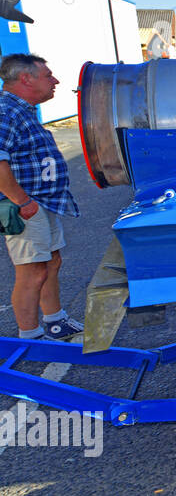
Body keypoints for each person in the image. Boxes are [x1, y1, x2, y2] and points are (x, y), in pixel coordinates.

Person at [0, 54, 82, 341]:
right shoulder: (5, 111)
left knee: (50, 262)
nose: (55, 80)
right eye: (47, 75)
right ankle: (30, 338)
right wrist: (22, 201)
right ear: (26, 78)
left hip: (39, 202)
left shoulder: (21, 110)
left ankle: (55, 321)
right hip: (24, 205)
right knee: (32, 271)